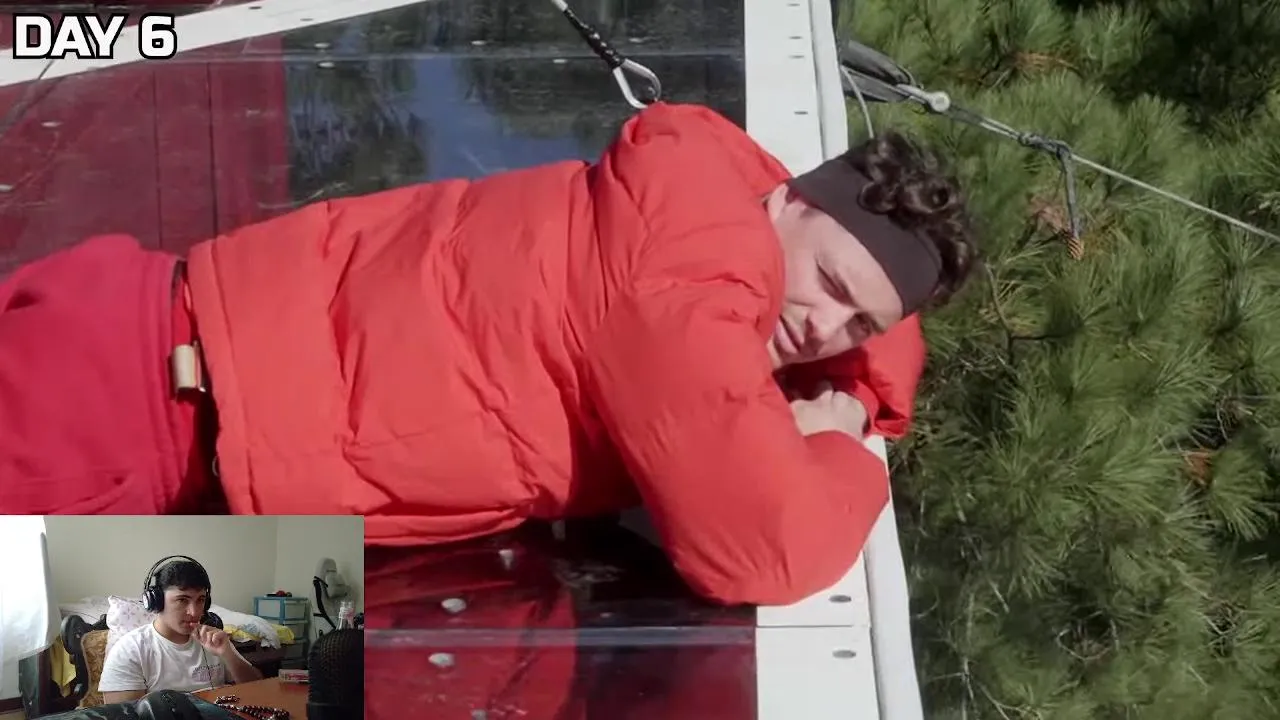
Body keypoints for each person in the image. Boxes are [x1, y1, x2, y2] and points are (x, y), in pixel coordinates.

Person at [0, 102, 975, 605]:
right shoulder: (682, 290)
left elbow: (857, 316)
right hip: (121, 418)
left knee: (264, 662)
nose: (819, 326)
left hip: (179, 440)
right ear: (785, 201)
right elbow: (765, 551)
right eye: (828, 282)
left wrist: (865, 367)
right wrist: (845, 436)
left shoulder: (692, 194)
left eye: (856, 325)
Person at [98, 557, 262, 703]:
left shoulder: (215, 640)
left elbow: (259, 690)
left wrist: (228, 654)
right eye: (182, 600)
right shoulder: (130, 650)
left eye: (201, 600)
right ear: (156, 602)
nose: (195, 612)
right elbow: (122, 714)